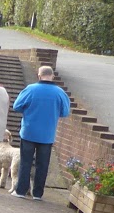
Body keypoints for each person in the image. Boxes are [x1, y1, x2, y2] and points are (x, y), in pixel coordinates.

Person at [11, 64, 71, 200]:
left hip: (29, 132)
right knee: (42, 165)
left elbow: (17, 106)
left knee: (25, 162)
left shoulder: (31, 89)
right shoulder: (60, 93)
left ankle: (20, 191)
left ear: (39, 75)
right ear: (52, 76)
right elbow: (65, 112)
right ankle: (38, 194)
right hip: (47, 135)